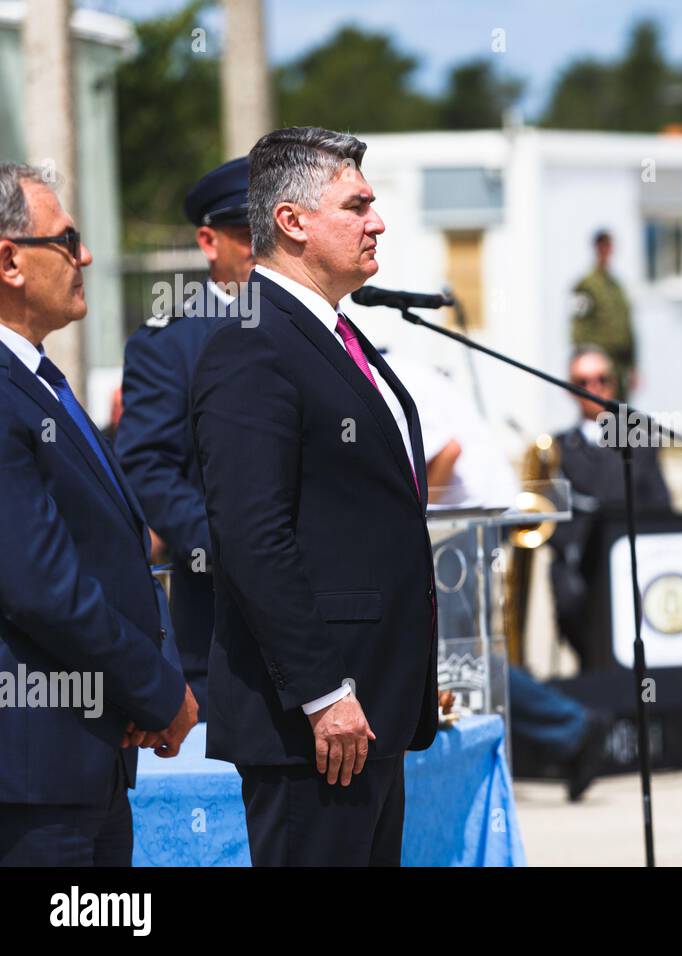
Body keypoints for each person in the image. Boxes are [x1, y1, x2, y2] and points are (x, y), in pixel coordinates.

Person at [191, 127, 437, 866]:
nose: (378, 220)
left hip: (371, 710)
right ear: (292, 223)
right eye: (356, 204)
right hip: (317, 723)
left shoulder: (329, 333)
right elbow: (253, 537)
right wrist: (325, 693)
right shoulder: (254, 344)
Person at [0, 163, 198, 865]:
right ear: (9, 260)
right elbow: (41, 586)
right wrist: (158, 689)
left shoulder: (39, 382)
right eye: (67, 239)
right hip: (32, 780)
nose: (84, 257)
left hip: (85, 764)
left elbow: (111, 554)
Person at [385, 356, 610, 799]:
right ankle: (566, 728)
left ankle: (571, 726)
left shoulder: (398, 375)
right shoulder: (417, 373)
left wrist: (407, 520)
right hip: (469, 526)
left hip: (458, 531)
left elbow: (446, 453)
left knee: (456, 658)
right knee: (459, 655)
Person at [116, 156, 255, 720]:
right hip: (226, 617)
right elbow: (147, 468)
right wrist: (232, 554)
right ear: (208, 240)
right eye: (247, 234)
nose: (260, 246)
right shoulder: (170, 343)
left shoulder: (314, 328)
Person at [549, 345, 672, 670]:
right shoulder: (558, 447)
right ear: (570, 389)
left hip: (633, 558)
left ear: (614, 384)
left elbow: (661, 504)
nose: (593, 389)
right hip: (583, 566)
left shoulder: (640, 438)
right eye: (582, 381)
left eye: (601, 379)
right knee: (569, 595)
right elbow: (550, 519)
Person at [570, 230, 636, 399]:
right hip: (599, 370)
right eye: (604, 247)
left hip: (620, 366)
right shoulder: (588, 285)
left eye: (609, 247)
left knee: (621, 418)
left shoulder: (616, 286)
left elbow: (627, 328)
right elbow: (578, 327)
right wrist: (583, 364)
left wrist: (633, 366)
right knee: (601, 414)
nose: (607, 252)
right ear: (597, 249)